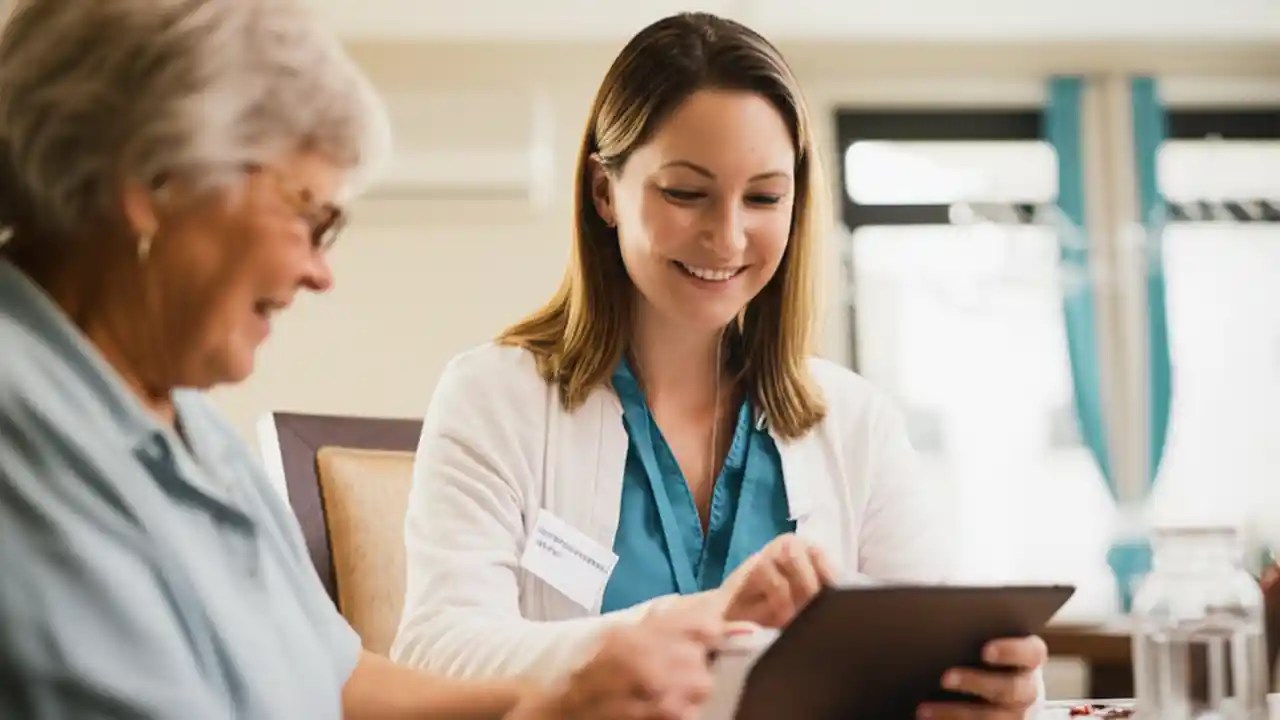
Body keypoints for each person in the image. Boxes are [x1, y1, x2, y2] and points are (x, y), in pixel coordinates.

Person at [0, 1, 722, 718]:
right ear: (155, 181)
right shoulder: (24, 441)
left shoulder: (188, 428)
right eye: (310, 219)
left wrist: (563, 697)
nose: (320, 273)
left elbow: (337, 682)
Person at [392, 11, 1048, 719]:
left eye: (763, 197)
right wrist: (702, 621)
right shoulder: (494, 398)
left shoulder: (857, 422)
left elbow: (938, 639)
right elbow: (435, 652)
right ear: (604, 191)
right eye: (685, 192)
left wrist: (1000, 686)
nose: (728, 237)